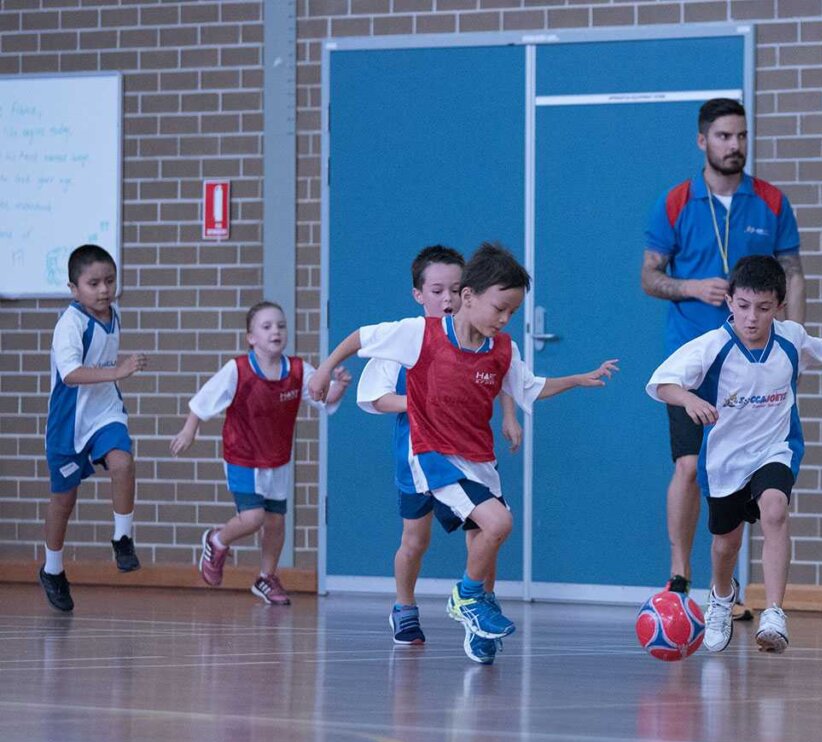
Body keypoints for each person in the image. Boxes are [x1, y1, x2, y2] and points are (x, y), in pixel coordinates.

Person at [309, 242, 617, 664]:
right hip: (431, 454)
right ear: (470, 298)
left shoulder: (503, 348)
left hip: (478, 457)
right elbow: (362, 338)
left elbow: (528, 387)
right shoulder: (418, 334)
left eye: (512, 312)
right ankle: (461, 598)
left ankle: (478, 612)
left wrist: (578, 379)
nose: (505, 319)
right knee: (483, 525)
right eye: (500, 309)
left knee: (488, 537)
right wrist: (324, 370)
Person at [647, 255, 822, 653]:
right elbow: (662, 382)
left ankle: (775, 613)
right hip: (726, 459)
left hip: (775, 448)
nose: (752, 317)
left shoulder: (791, 339)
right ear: (729, 301)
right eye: (743, 306)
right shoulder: (712, 346)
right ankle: (720, 597)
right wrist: (689, 400)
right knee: (726, 544)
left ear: (779, 306)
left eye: (763, 308)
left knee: (775, 510)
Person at [641, 98, 806, 611]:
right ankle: (679, 575)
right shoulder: (675, 202)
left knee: (749, 475)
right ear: (702, 141)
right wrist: (691, 287)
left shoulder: (772, 201)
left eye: (742, 136)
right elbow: (649, 276)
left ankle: (727, 588)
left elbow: (793, 273)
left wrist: (794, 337)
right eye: (724, 136)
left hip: (756, 363)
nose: (735, 145)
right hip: (698, 361)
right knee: (690, 466)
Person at [356, 245, 523, 651]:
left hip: (464, 452)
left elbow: (501, 376)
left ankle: (478, 610)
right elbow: (374, 397)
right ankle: (404, 606)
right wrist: (422, 402)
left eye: (454, 289)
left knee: (483, 531)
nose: (446, 299)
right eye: (436, 291)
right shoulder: (405, 340)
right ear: (419, 295)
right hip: (417, 454)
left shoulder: (481, 339)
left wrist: (509, 415)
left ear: (468, 292)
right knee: (415, 540)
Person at [170, 301, 350, 605]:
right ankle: (217, 540)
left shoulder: (298, 370)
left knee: (276, 523)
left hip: (277, 459)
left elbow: (323, 397)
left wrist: (340, 386)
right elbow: (203, 400)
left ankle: (266, 577)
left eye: (280, 325)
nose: (275, 331)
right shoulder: (238, 369)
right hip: (242, 457)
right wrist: (189, 430)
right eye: (266, 327)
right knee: (253, 518)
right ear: (251, 337)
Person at [40, 244, 148, 612]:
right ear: (74, 289)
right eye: (94, 283)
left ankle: (122, 538)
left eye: (110, 281)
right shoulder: (70, 324)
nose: (104, 290)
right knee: (63, 501)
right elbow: (70, 374)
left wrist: (115, 376)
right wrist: (118, 370)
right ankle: (52, 570)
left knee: (123, 464)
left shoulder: (113, 314)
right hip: (69, 422)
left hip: (104, 412)